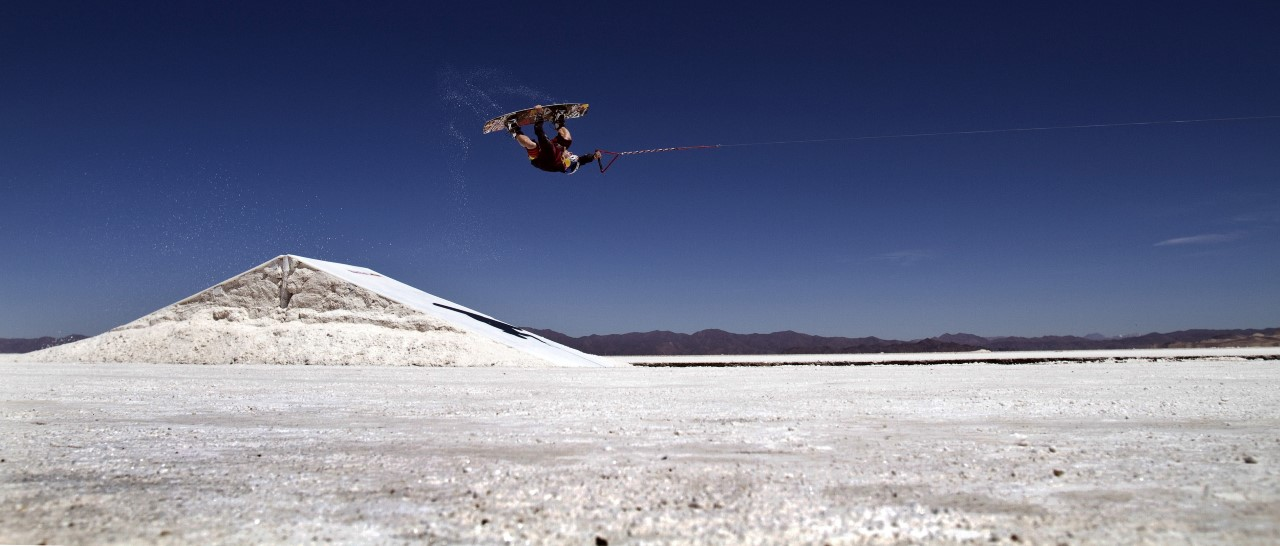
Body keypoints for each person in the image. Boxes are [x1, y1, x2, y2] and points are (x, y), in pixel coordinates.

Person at [505, 106, 600, 174]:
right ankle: (558, 122)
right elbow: (582, 160)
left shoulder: (552, 154)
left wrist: (539, 115)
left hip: (539, 158)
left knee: (530, 144)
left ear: (564, 159)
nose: (571, 152)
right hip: (555, 152)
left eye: (570, 154)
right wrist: (594, 156)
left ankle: (513, 129)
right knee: (567, 140)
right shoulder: (568, 164)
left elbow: (539, 131)